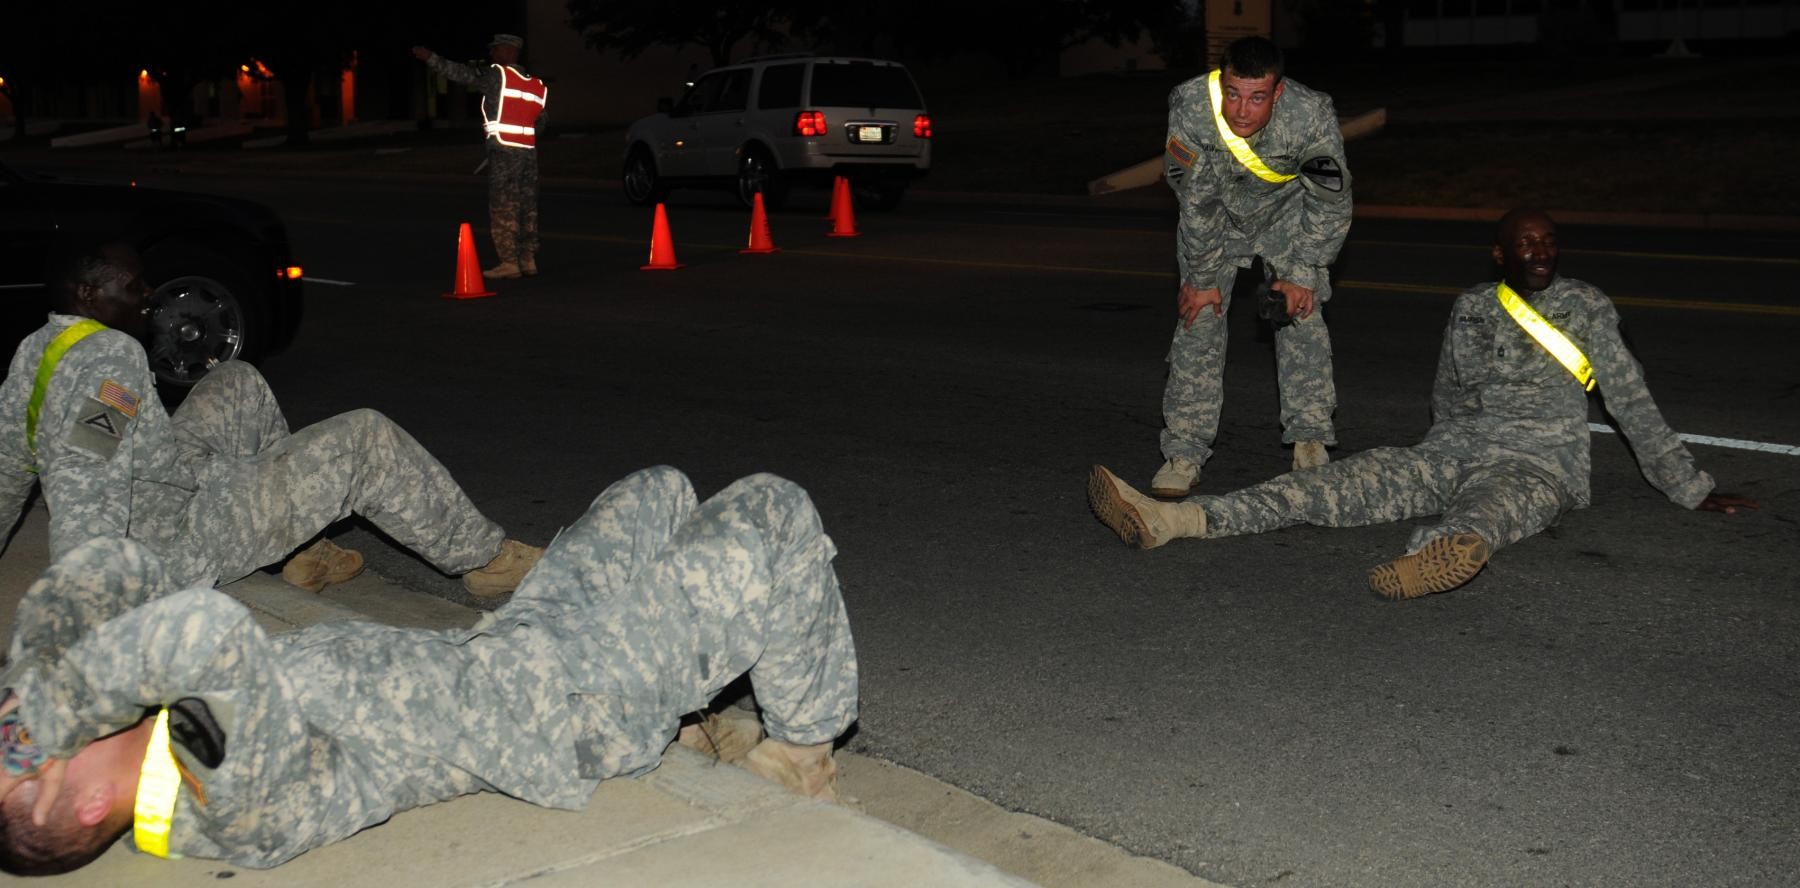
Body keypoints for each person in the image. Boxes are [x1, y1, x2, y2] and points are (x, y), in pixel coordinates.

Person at [0, 466, 856, 874]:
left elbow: (115, 566)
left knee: (660, 490)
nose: (24, 732)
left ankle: (700, 681)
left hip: (513, 650)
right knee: (774, 508)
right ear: (80, 804)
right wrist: (56, 702)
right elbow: (200, 626)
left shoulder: (146, 733)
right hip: (573, 706)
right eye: (22, 756)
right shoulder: (218, 793)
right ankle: (803, 750)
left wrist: (29, 674)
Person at [1088, 208, 1757, 599]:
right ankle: (1174, 522)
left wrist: (1689, 486)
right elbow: (1448, 397)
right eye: (1527, 243)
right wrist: (1431, 459)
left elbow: (1630, 398)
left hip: (1536, 467)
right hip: (1451, 453)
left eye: (1549, 243)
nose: (1542, 252)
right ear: (1501, 254)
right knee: (1325, 485)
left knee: (1486, 512)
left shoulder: (1585, 306)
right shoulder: (1471, 308)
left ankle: (1433, 557)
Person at [0, 242, 541, 598]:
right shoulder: (110, 359)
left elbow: (8, 463)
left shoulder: (38, 348)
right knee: (366, 437)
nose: (147, 298)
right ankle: (486, 559)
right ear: (91, 295)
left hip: (166, 481)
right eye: (134, 286)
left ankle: (303, 551)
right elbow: (88, 474)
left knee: (238, 380)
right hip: (181, 535)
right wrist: (83, 605)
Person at [1150, 36, 1352, 497]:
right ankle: (1183, 452)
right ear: (1222, 82)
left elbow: (1330, 204)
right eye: (1233, 93)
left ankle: (1310, 443)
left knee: (1301, 313)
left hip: (1286, 216)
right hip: (1216, 220)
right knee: (1197, 317)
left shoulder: (1310, 114)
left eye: (1257, 97)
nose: (1241, 110)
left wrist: (1302, 273)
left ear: (1277, 93)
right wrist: (1201, 280)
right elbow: (1195, 201)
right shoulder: (1191, 105)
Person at [412, 34, 548, 280]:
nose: (492, 55)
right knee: (527, 207)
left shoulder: (497, 76)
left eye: (495, 50)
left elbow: (462, 74)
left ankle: (509, 263)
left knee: (504, 205)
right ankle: (528, 259)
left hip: (505, 153)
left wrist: (431, 58)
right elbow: (542, 121)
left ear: (505, 52)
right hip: (528, 153)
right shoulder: (535, 84)